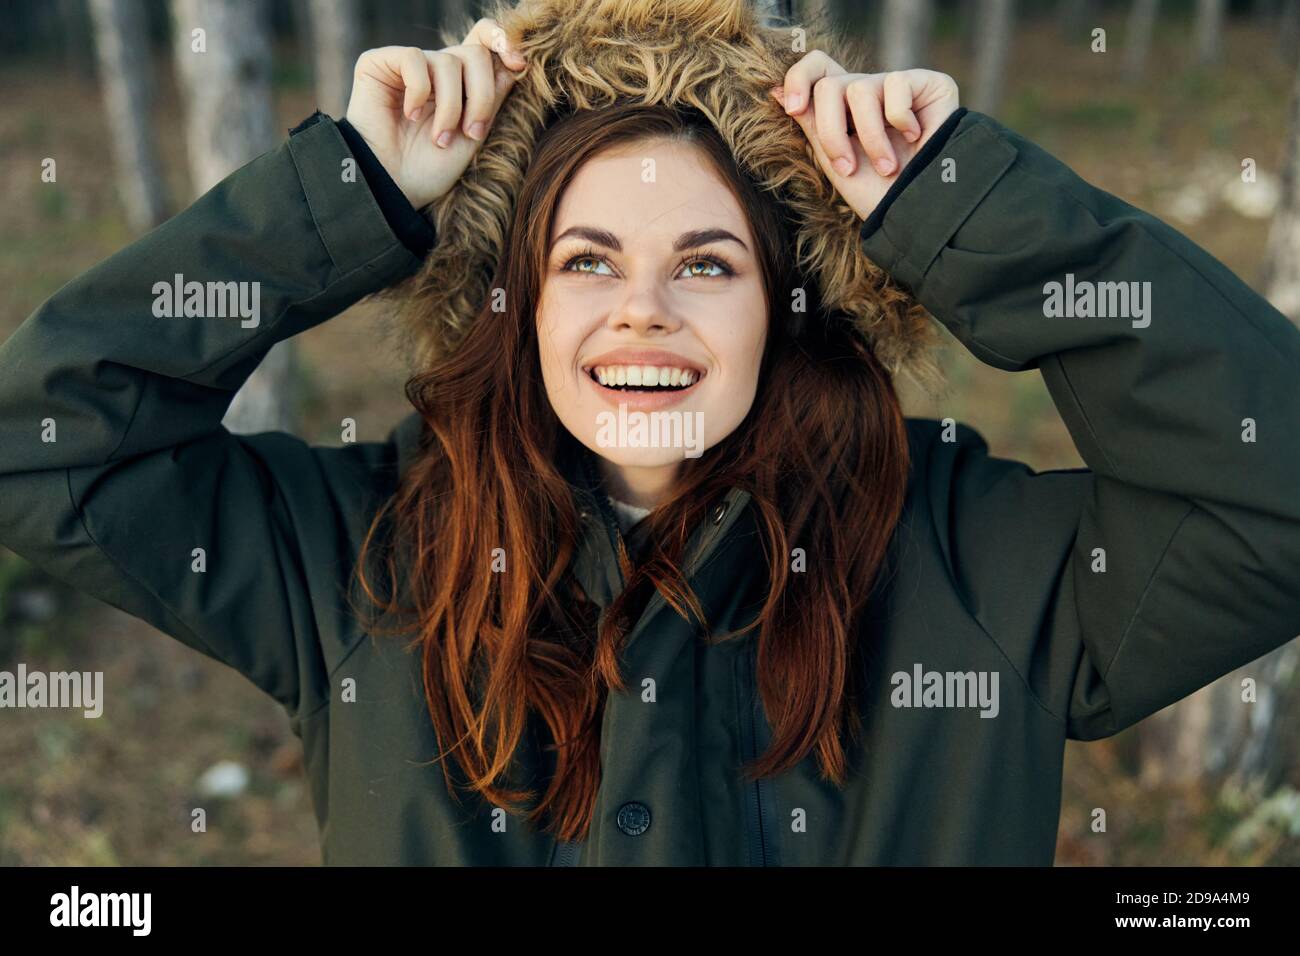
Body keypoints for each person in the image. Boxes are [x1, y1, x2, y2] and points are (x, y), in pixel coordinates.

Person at [1, 0, 1297, 866]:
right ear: (518, 304)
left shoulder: (976, 559)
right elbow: (43, 444)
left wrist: (955, 199)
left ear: (790, 305)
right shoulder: (355, 557)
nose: (644, 316)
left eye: (708, 264)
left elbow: (1271, 488)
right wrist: (345, 192)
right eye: (586, 260)